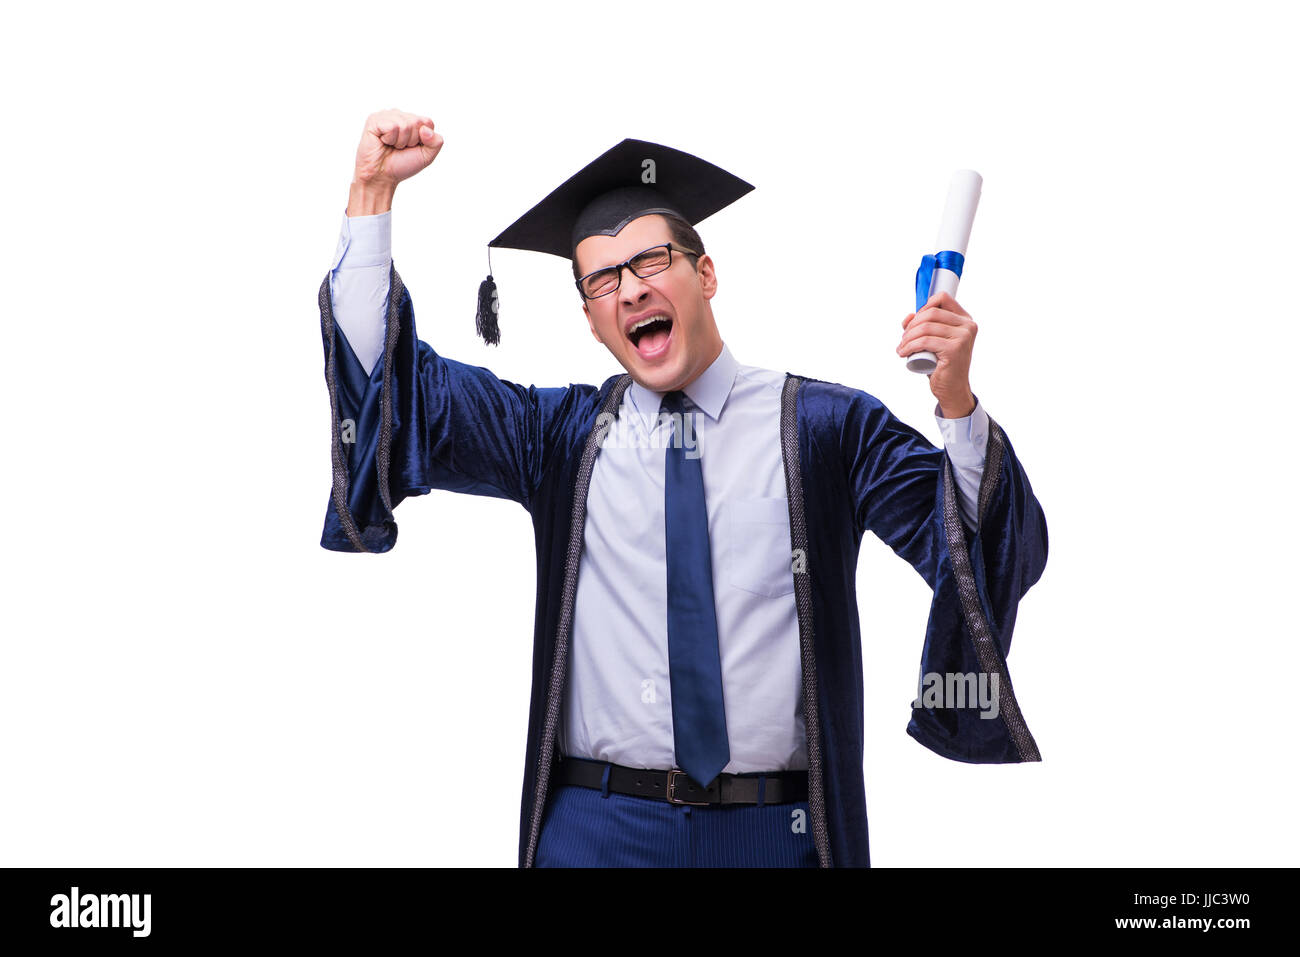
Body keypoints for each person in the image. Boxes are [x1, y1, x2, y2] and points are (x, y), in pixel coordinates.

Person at [318, 109, 1048, 867]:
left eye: (651, 261)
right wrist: (371, 196)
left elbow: (974, 543)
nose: (630, 290)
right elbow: (389, 393)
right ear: (593, 319)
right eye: (602, 278)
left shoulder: (827, 428)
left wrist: (957, 402)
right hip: (597, 830)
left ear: (705, 274)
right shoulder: (556, 437)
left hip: (776, 834)